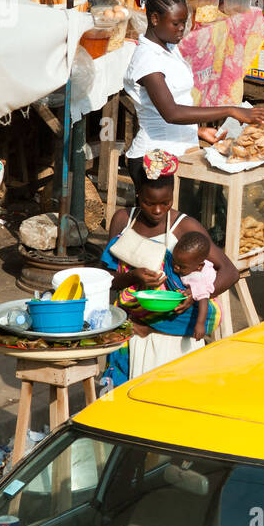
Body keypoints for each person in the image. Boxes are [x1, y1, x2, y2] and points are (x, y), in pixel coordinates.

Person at [122, 0, 264, 190]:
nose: (182, 28)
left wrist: (198, 131)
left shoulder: (168, 47)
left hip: (183, 153)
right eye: (176, 23)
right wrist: (232, 110)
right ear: (155, 19)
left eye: (184, 22)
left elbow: (179, 100)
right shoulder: (147, 60)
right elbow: (171, 112)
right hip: (154, 158)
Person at [102, 160, 238, 378]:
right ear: (137, 193)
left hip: (175, 314)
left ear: (173, 196)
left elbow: (230, 272)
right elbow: (106, 280)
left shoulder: (184, 226)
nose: (157, 210)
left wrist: (194, 295)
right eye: (148, 203)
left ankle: (152, 327)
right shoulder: (122, 220)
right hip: (133, 311)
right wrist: (132, 276)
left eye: (166, 203)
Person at [170, 231, 217, 341]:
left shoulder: (195, 278)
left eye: (181, 267)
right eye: (174, 261)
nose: (176, 268)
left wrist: (200, 324)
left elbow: (203, 300)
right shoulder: (191, 262)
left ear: (199, 267)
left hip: (202, 306)